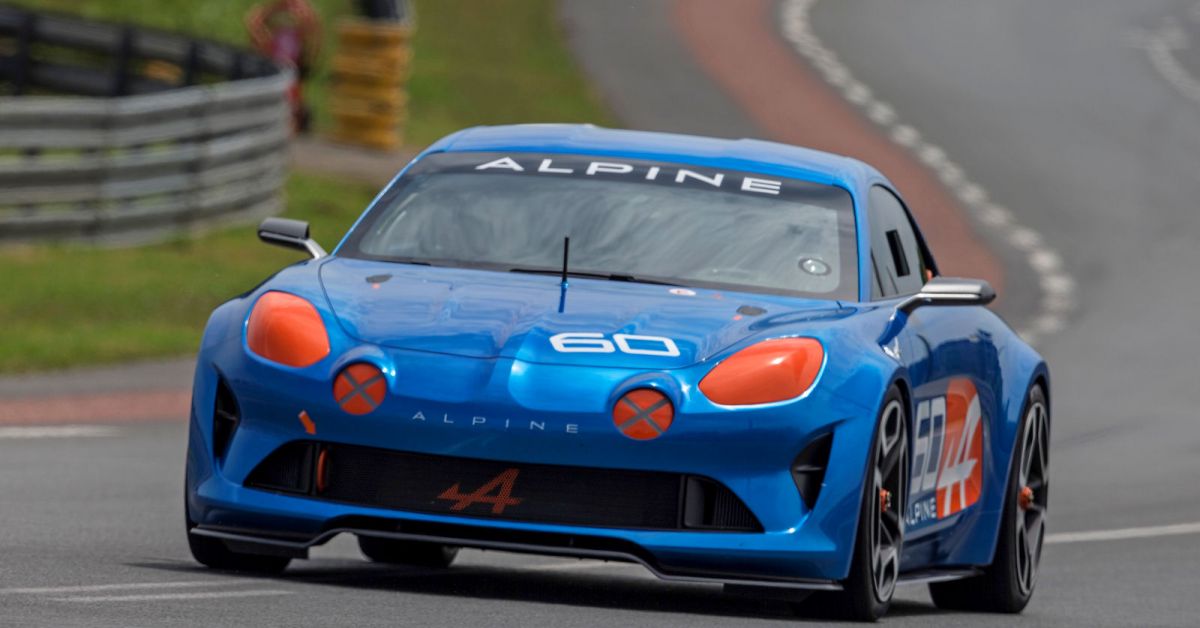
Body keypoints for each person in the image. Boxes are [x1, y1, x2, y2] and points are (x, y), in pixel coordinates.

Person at [246, 0, 322, 132]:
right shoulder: (273, 12)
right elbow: (253, 21)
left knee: (293, 96)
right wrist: (262, 42)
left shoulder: (302, 12)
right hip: (274, 63)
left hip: (293, 65)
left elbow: (314, 31)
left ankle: (293, 123)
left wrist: (309, 58)